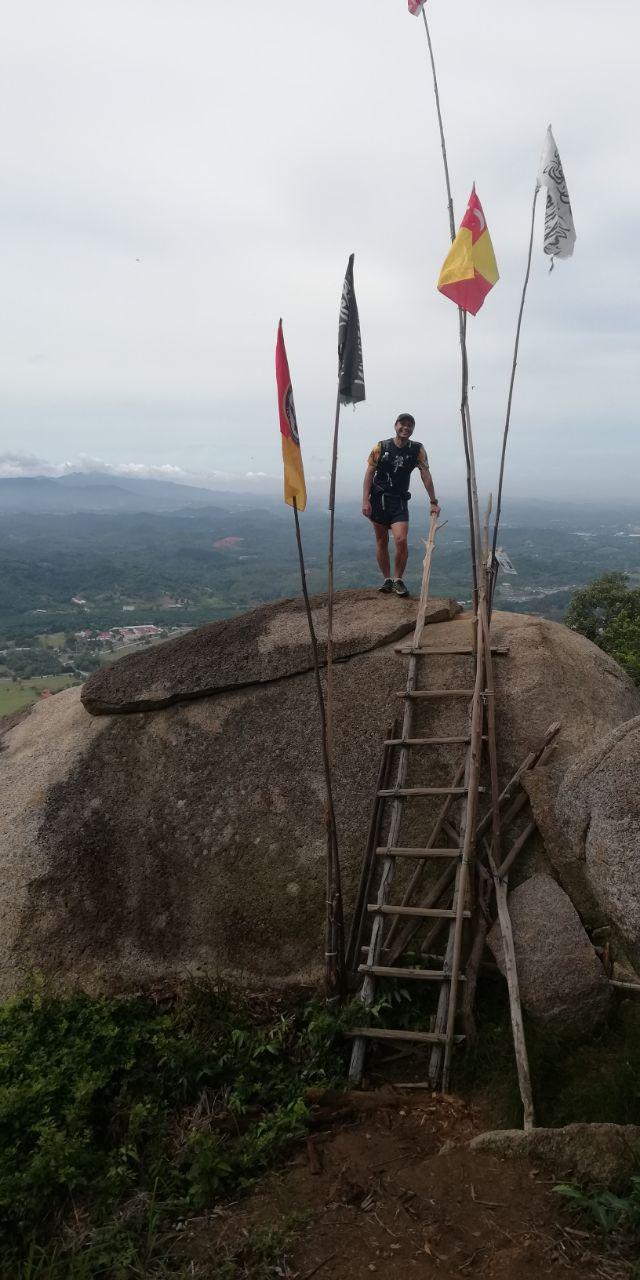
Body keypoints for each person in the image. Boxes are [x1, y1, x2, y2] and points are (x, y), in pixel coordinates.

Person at [362, 413, 440, 596]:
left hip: (399, 500)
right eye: (402, 424)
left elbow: (425, 474)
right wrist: (365, 500)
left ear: (413, 429)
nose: (406, 428)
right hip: (379, 500)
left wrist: (433, 501)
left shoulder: (417, 449)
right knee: (381, 540)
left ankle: (398, 579)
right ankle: (387, 579)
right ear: (395, 425)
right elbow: (369, 473)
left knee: (400, 539)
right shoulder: (381, 447)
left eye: (409, 425)